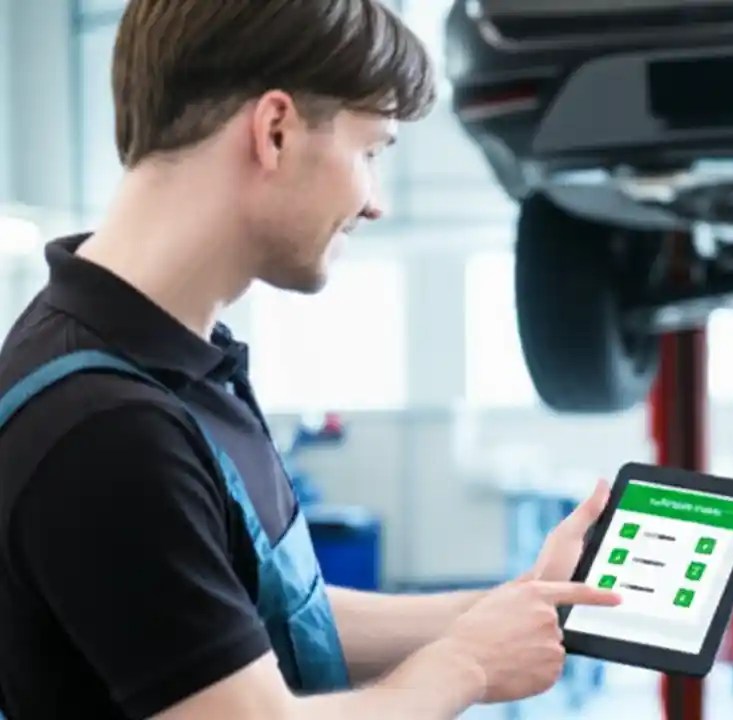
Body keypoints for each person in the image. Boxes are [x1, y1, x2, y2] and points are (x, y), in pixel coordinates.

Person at [0, 1, 621, 718]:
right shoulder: (105, 427)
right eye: (371, 152)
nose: (375, 203)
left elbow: (266, 621)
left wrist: (524, 604)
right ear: (275, 131)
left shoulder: (179, 373)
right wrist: (467, 666)